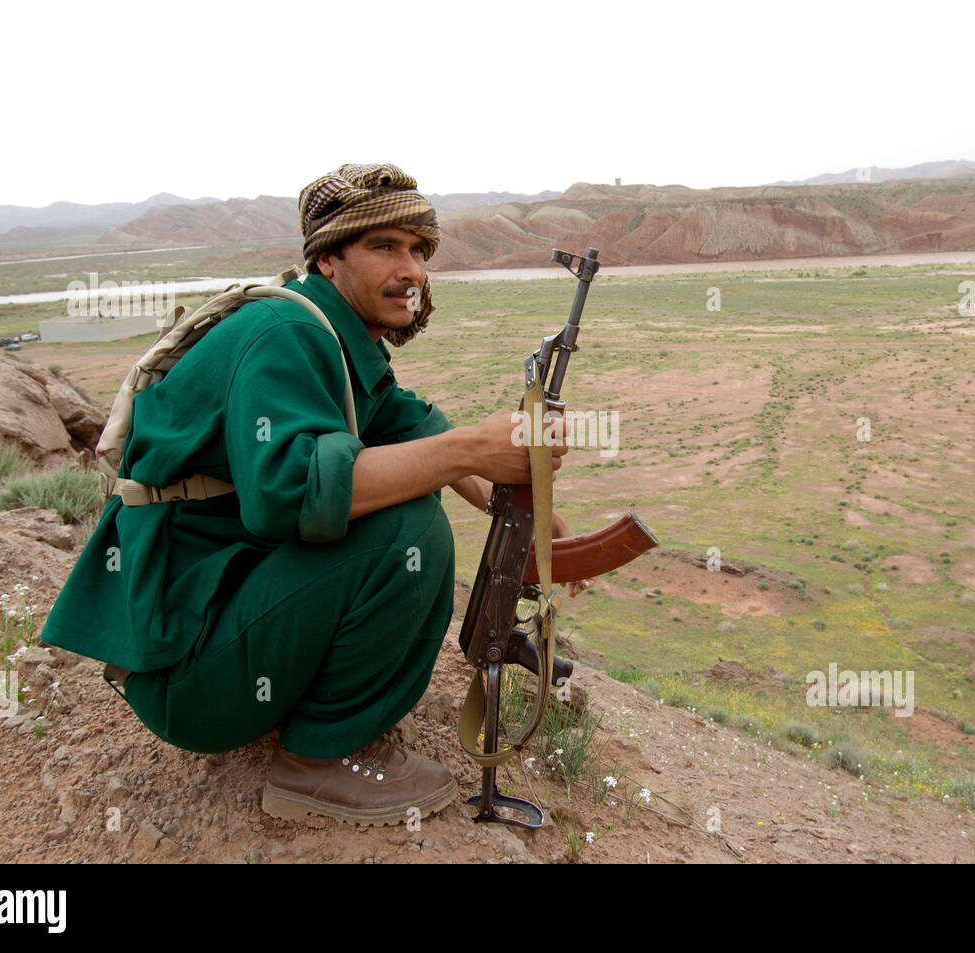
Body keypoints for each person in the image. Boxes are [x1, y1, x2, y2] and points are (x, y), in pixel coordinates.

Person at [41, 163, 587, 827]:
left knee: (411, 494)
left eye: (419, 250)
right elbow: (291, 493)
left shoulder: (333, 339)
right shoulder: (286, 335)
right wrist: (474, 448)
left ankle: (308, 719)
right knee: (408, 529)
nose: (411, 269)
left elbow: (414, 426)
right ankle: (318, 761)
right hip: (184, 678)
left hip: (205, 638)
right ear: (328, 259)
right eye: (384, 247)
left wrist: (526, 508)